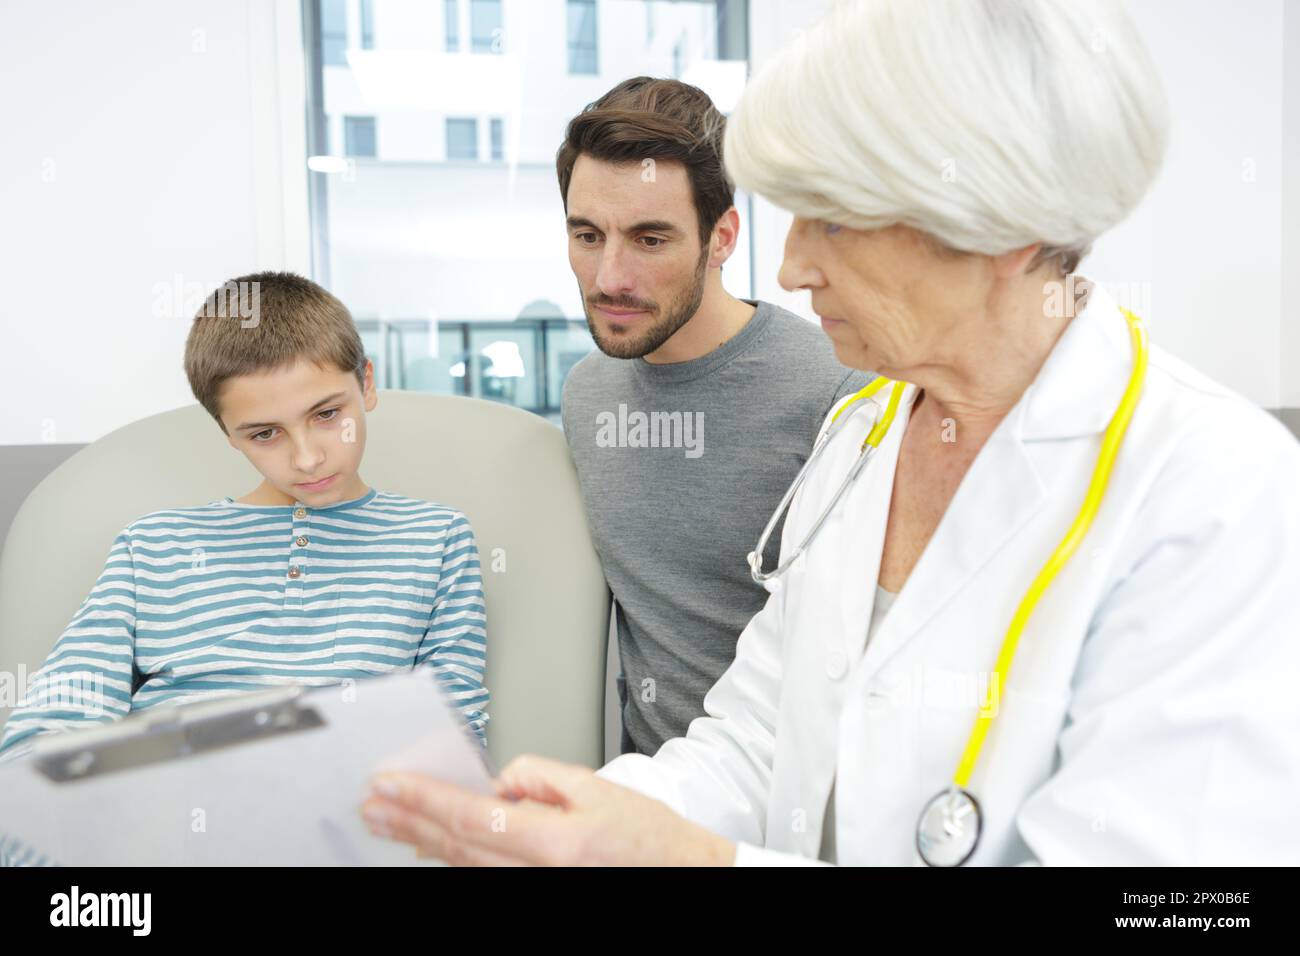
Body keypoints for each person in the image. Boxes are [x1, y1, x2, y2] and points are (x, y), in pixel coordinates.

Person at [360, 0, 1300, 865]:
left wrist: (698, 862)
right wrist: (600, 817)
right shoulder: (864, 438)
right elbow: (752, 738)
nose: (798, 266)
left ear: (1007, 224)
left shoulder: (1215, 488)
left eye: (837, 221)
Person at [1, 272, 489, 762]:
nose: (306, 459)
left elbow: (455, 737)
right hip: (167, 812)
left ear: (366, 383)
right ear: (228, 433)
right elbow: (45, 731)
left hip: (350, 814)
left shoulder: (436, 538)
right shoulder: (152, 547)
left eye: (325, 415)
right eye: (264, 434)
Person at [558, 77, 868, 755]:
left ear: (721, 235)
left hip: (790, 804)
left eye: (649, 239)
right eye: (587, 234)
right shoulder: (586, 396)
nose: (608, 277)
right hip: (649, 800)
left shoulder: (840, 394)